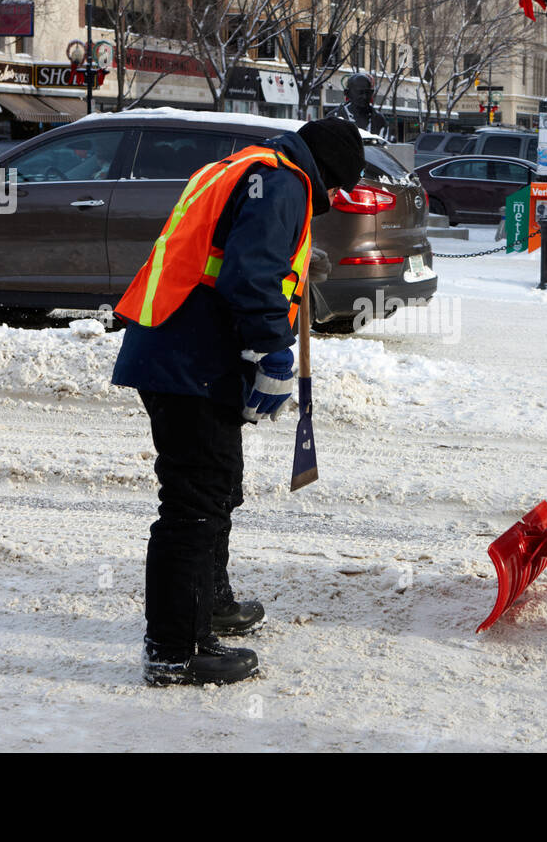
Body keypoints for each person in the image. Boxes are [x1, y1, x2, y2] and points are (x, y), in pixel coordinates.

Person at [111, 119, 364, 687]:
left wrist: (297, 266)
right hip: (189, 357)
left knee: (220, 485)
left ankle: (212, 603)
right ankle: (176, 649)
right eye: (336, 190)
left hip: (178, 346)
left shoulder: (242, 165)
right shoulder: (283, 180)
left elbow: (232, 249)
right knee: (193, 502)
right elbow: (249, 278)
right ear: (325, 172)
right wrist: (273, 351)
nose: (330, 200)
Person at [327, 71, 389, 139]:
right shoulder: (333, 118)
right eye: (360, 92)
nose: (364, 97)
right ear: (347, 93)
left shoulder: (379, 120)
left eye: (368, 92)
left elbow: (383, 146)